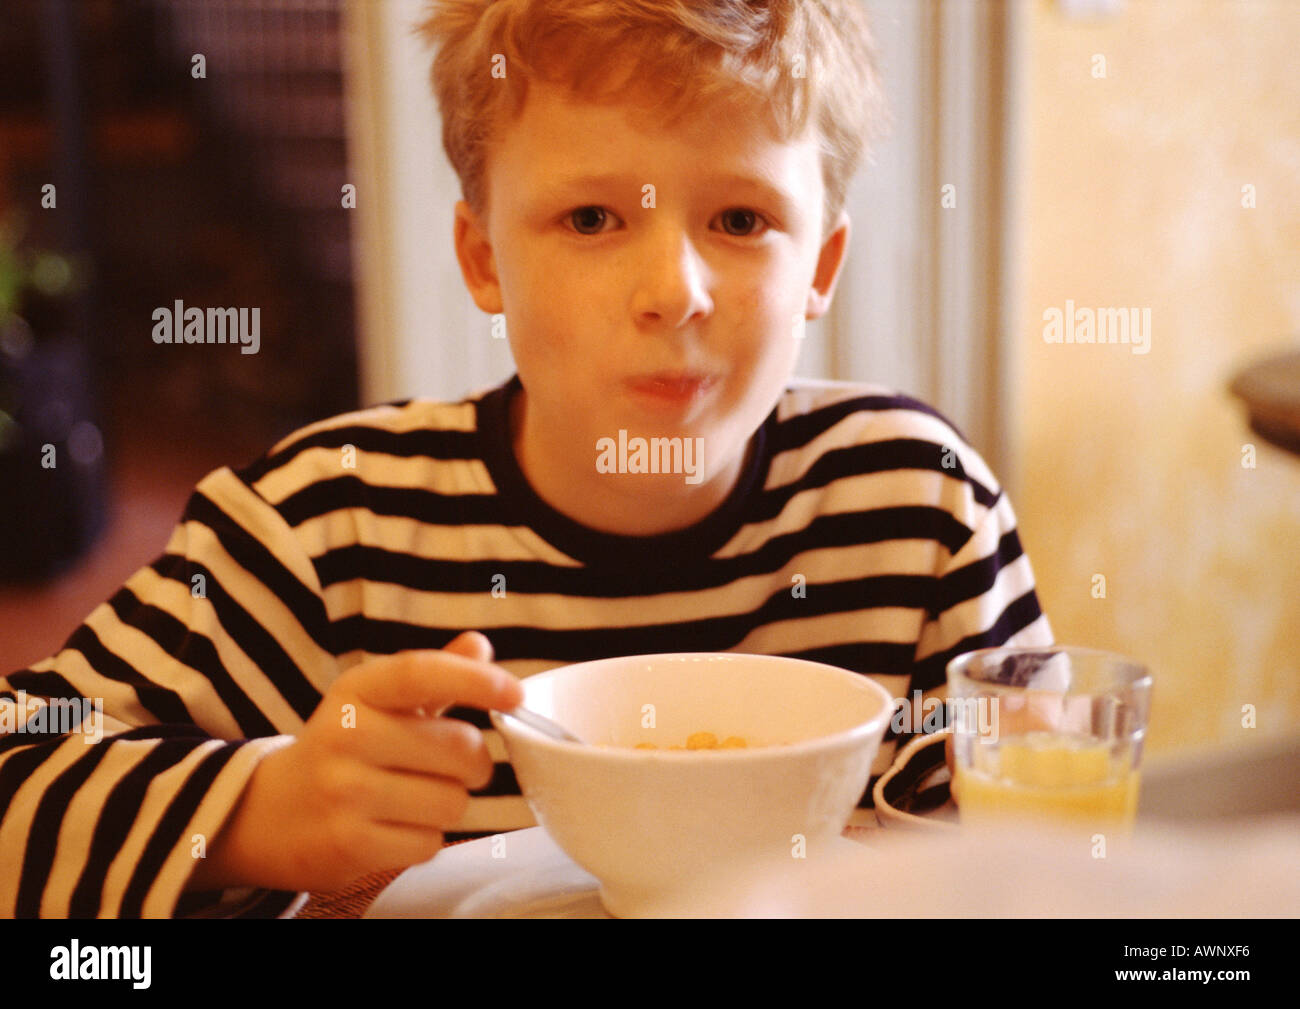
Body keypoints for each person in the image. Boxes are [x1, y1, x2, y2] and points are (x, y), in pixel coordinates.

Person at [0, 0, 1051, 918]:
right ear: (483, 258)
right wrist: (254, 813)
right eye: (591, 218)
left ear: (820, 263)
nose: (673, 291)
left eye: (741, 218)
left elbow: (1030, 851)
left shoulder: (920, 511)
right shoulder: (322, 532)